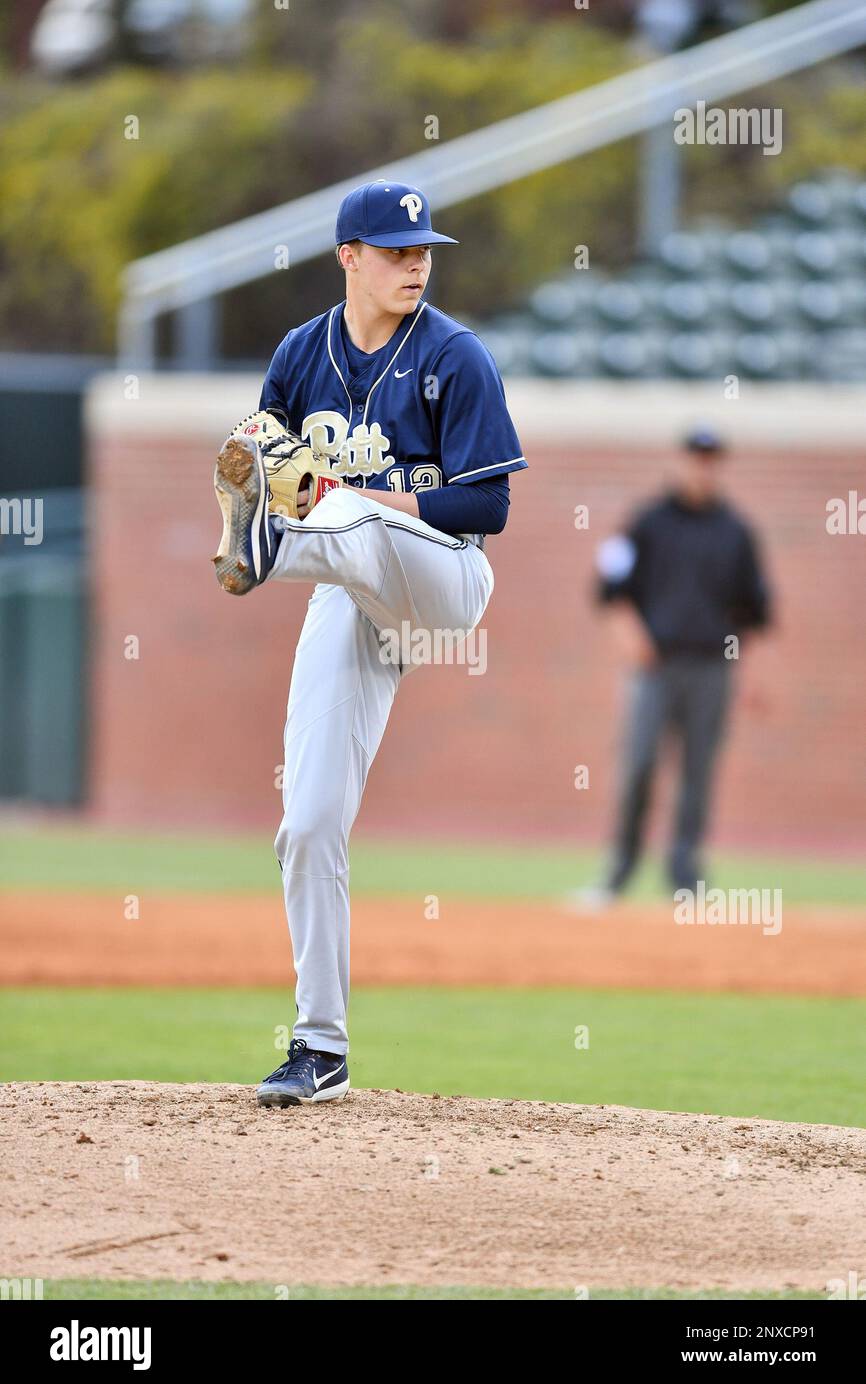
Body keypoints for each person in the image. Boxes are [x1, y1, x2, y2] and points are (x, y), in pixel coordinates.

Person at [211, 179, 527, 1105]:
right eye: (395, 249)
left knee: (339, 513)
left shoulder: (455, 356)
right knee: (305, 824)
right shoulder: (300, 354)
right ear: (348, 256)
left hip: (443, 577)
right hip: (349, 591)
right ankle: (320, 1046)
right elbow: (259, 448)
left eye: (424, 247)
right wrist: (267, 472)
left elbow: (490, 506)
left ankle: (267, 546)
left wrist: (331, 503)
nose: (416, 262)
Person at [589, 426, 771, 900]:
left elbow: (753, 611)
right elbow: (611, 590)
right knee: (640, 763)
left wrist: (747, 674)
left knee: (698, 771)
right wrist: (630, 637)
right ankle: (621, 868)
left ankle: (684, 875)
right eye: (696, 457)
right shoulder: (648, 521)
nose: (703, 467)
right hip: (655, 666)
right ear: (682, 461)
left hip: (712, 667)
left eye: (712, 459)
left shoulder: (736, 531)